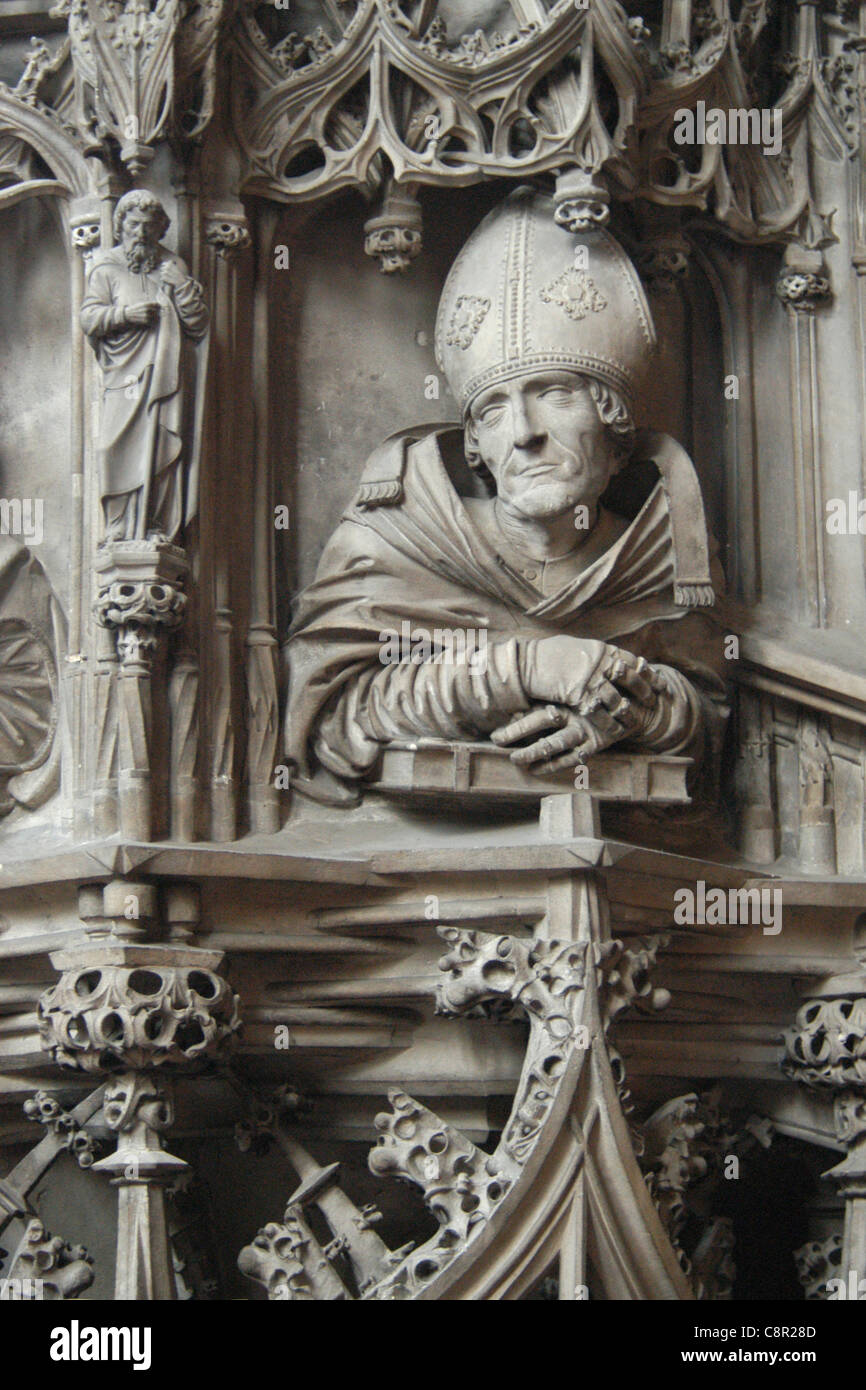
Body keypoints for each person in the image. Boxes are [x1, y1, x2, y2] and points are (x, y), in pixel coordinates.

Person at [284, 188, 727, 804]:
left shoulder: (664, 557)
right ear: (476, 448)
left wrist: (630, 710)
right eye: (493, 412)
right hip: (421, 860)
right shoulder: (391, 542)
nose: (523, 434)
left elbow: (708, 714)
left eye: (555, 394)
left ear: (617, 430)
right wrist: (524, 670)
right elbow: (335, 719)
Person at [80, 190, 209, 544]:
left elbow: (198, 325)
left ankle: (154, 524)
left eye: (149, 227)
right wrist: (126, 314)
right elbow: (89, 317)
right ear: (121, 227)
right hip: (123, 376)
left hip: (165, 378)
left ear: (160, 230)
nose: (141, 233)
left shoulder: (173, 267)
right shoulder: (106, 268)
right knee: (113, 445)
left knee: (160, 446)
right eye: (134, 225)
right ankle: (118, 525)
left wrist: (181, 287)